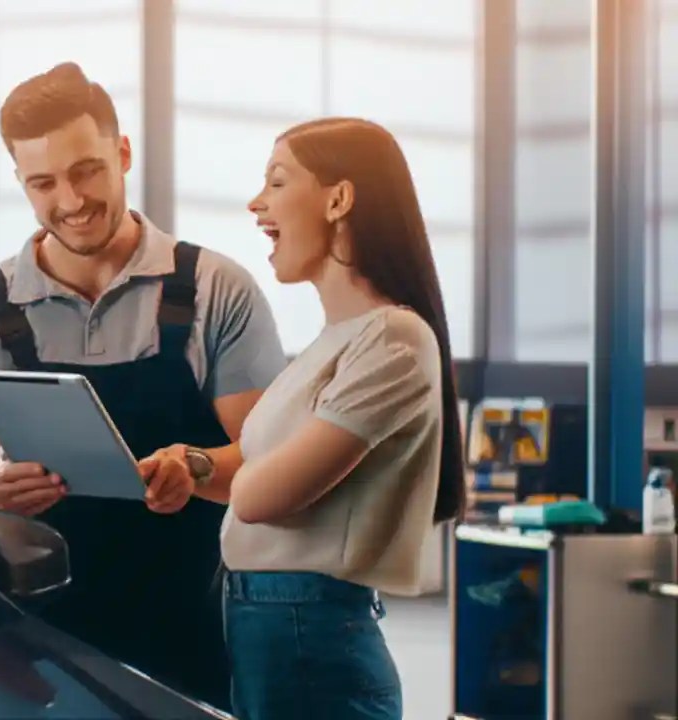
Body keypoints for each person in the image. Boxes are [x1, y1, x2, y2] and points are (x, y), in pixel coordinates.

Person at [0, 61, 287, 710]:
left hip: (193, 639)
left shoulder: (214, 292)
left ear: (121, 153)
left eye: (86, 170)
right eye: (43, 182)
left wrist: (196, 467)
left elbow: (267, 466)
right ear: (21, 183)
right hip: (35, 651)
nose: (70, 200)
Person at [138, 117, 466, 719]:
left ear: (339, 199)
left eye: (278, 183)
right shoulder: (331, 342)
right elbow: (255, 466)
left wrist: (215, 466)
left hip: (310, 637)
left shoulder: (393, 340)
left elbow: (263, 494)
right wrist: (193, 461)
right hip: (272, 628)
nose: (256, 204)